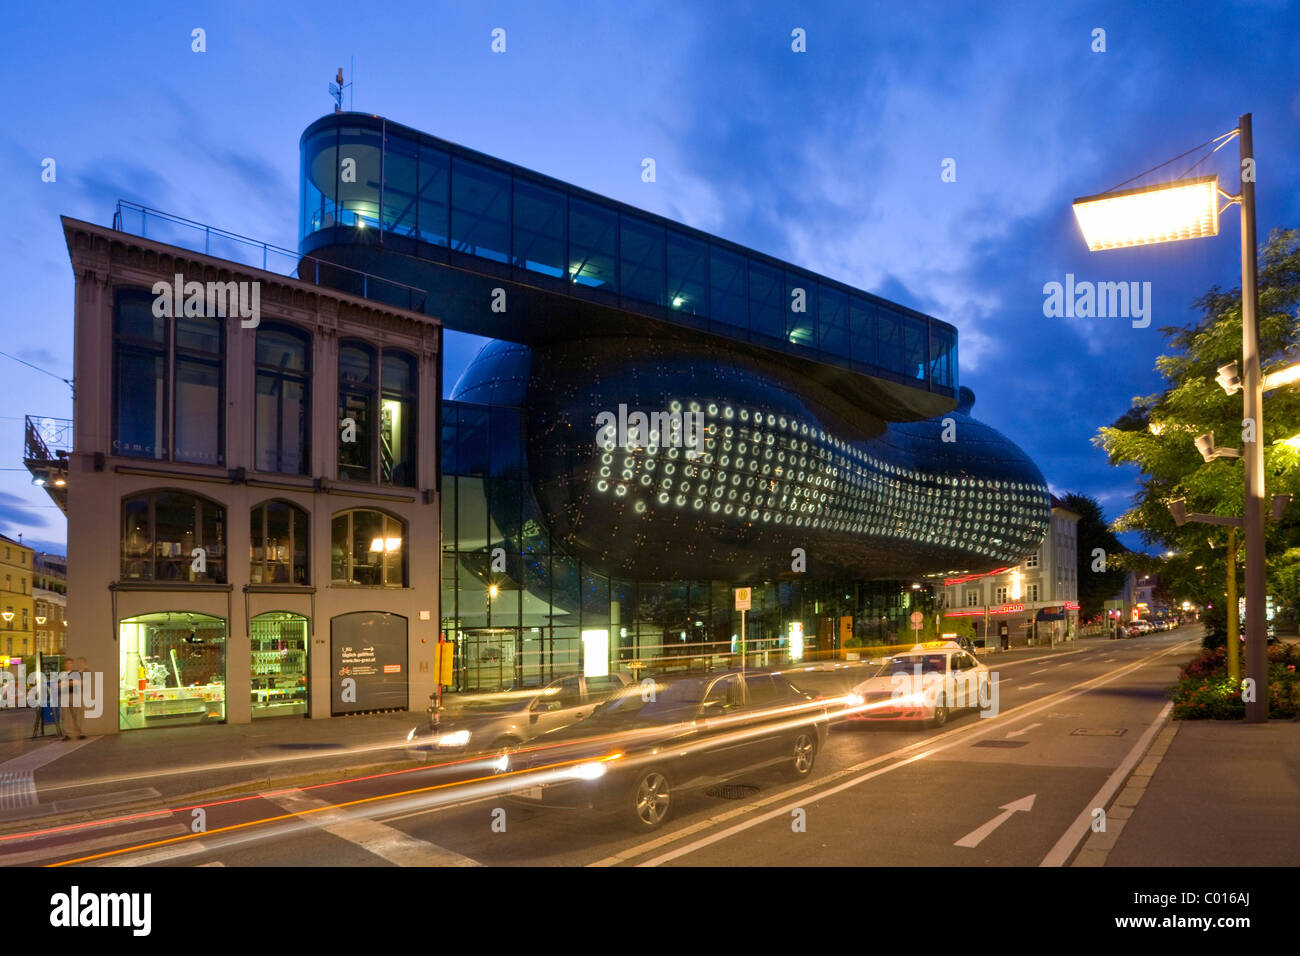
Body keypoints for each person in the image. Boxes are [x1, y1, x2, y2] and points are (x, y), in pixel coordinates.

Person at [62, 657, 87, 740]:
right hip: (65, 696)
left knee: (77, 715)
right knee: (66, 716)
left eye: (70, 663)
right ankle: (67, 734)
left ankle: (80, 733)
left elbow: (80, 683)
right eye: (67, 663)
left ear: (72, 665)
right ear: (64, 665)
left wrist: (66, 683)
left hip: (75, 695)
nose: (68, 665)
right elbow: (58, 685)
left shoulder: (77, 673)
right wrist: (71, 683)